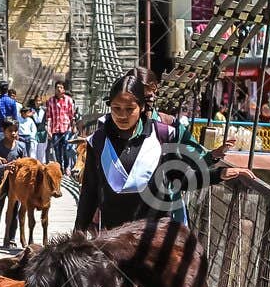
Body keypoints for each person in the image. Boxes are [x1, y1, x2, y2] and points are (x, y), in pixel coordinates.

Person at [75, 66, 253, 232]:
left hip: (155, 236)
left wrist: (217, 171)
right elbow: (89, 191)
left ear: (141, 105)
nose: (122, 115)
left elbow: (180, 176)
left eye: (130, 108)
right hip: (113, 238)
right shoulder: (99, 140)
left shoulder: (165, 132)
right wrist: (78, 235)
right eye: (116, 108)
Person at [0, 117, 29, 246]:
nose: (13, 133)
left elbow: (26, 163)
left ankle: (11, 239)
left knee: (14, 210)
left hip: (16, 185)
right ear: (3, 131)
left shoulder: (21, 146)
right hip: (1, 182)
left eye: (16, 130)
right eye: (10, 130)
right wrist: (5, 167)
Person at [45, 80, 76, 167]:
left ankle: (66, 166)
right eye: (57, 87)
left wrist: (74, 126)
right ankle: (60, 167)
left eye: (61, 87)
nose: (59, 89)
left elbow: (72, 115)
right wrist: (48, 130)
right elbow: (49, 117)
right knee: (57, 150)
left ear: (64, 89)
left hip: (66, 128)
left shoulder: (69, 100)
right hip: (55, 129)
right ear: (55, 89)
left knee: (66, 147)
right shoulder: (50, 101)